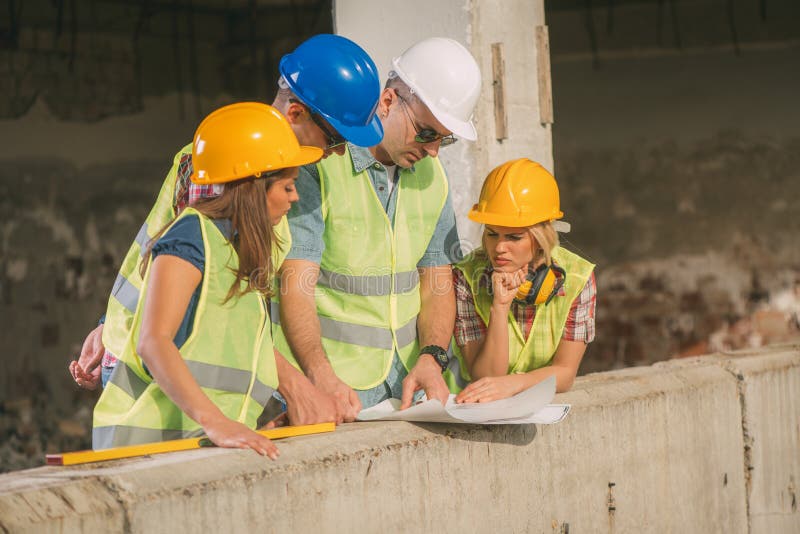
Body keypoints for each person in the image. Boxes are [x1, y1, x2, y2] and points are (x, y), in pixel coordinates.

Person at [70, 34, 383, 425]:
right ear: (297, 113)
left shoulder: (275, 170)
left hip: (183, 362)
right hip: (154, 370)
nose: (338, 153)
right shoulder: (229, 165)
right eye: (336, 138)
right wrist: (299, 387)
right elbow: (210, 292)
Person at [272, 37, 483, 421]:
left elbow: (437, 282)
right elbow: (295, 285)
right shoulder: (317, 162)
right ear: (388, 101)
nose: (433, 150)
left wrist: (432, 357)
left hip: (406, 391)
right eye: (426, 133)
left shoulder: (433, 177)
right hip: (333, 394)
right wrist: (319, 377)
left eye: (444, 139)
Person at [92, 103, 322, 453]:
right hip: (148, 448)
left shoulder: (239, 251)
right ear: (255, 186)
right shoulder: (191, 235)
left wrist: (241, 421)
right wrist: (218, 423)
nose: (295, 197)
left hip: (196, 444)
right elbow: (153, 342)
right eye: (288, 186)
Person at [447, 158, 597, 403]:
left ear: (541, 237)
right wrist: (499, 308)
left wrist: (515, 384)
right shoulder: (465, 277)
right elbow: (484, 378)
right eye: (492, 234)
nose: (499, 248)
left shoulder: (579, 277)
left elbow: (566, 373)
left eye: (514, 237)